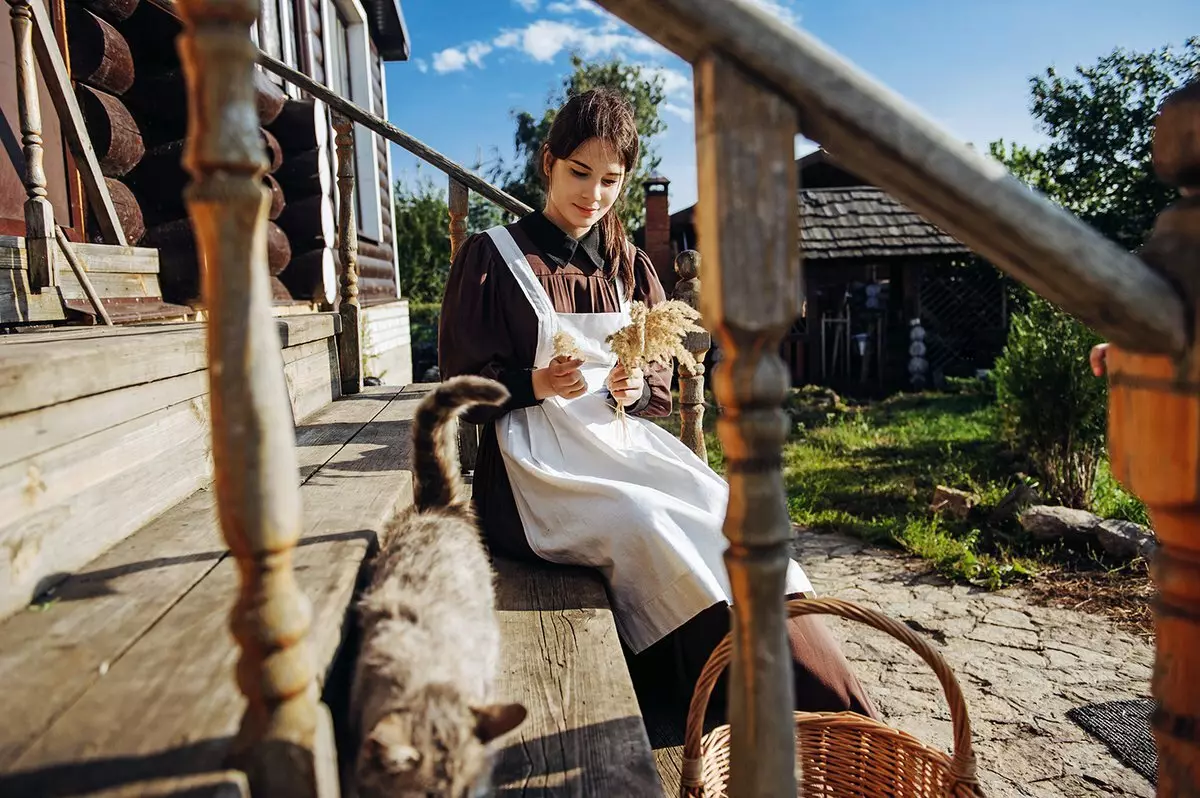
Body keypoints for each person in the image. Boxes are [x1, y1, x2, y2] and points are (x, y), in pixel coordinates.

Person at [438, 88, 877, 719]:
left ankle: (823, 703)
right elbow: (460, 389)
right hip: (537, 471)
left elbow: (656, 389)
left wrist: (633, 388)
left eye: (611, 181)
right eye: (579, 174)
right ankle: (717, 705)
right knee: (646, 520)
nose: (593, 195)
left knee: (723, 507)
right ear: (548, 162)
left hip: (620, 446)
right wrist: (535, 384)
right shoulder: (496, 257)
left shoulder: (627, 264)